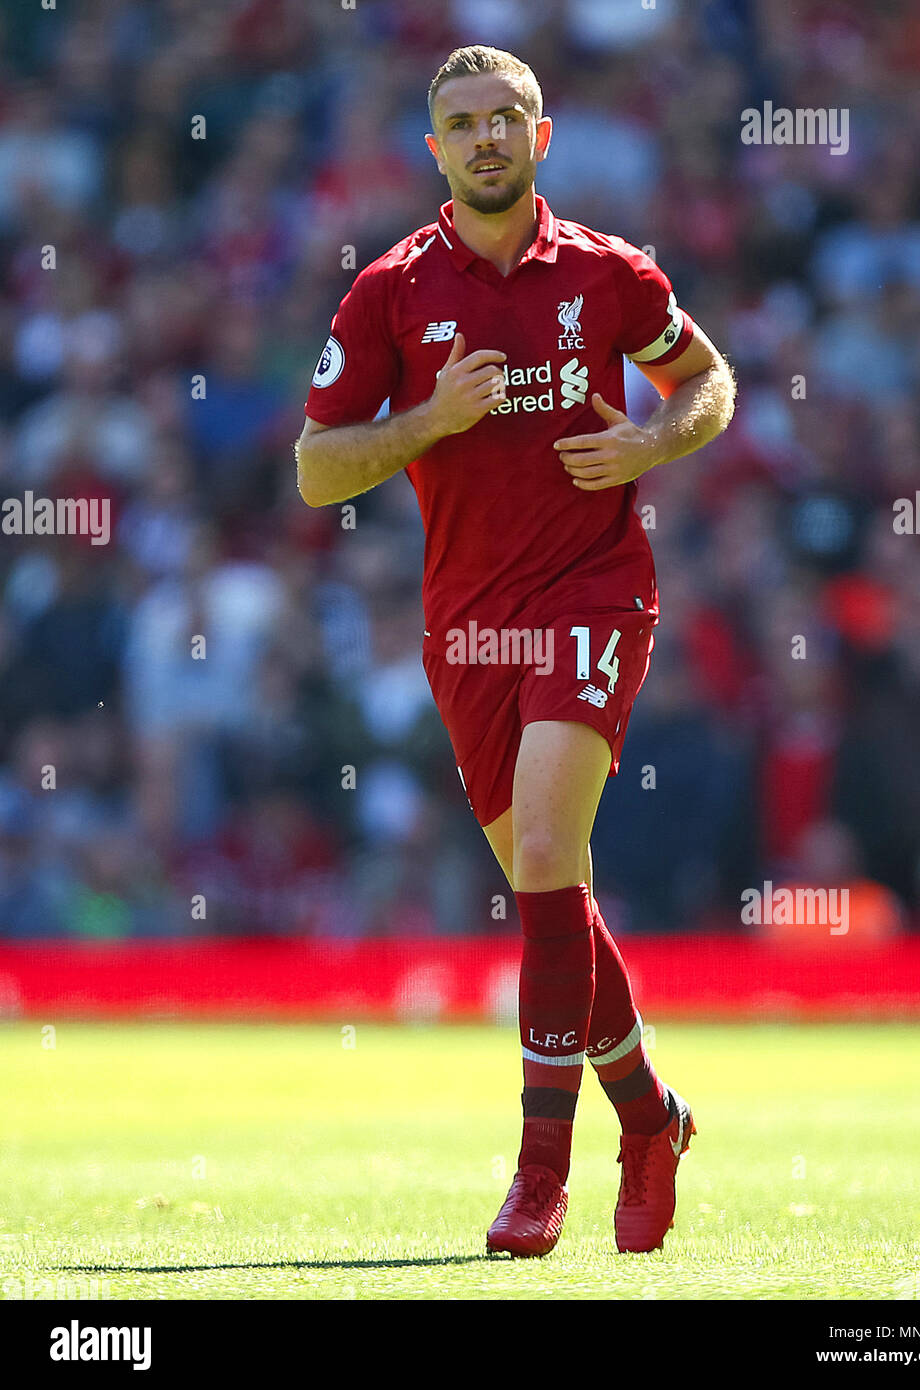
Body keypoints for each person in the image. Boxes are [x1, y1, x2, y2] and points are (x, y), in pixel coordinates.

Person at [296, 45, 736, 1256]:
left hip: (591, 592)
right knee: (551, 895)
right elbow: (315, 464)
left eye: (507, 119)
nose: (485, 137)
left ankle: (539, 1173)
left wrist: (652, 445)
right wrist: (430, 417)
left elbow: (705, 383)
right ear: (431, 149)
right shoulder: (387, 291)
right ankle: (647, 1115)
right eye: (461, 122)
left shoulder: (608, 274)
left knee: (547, 848)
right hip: (467, 623)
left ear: (542, 142)